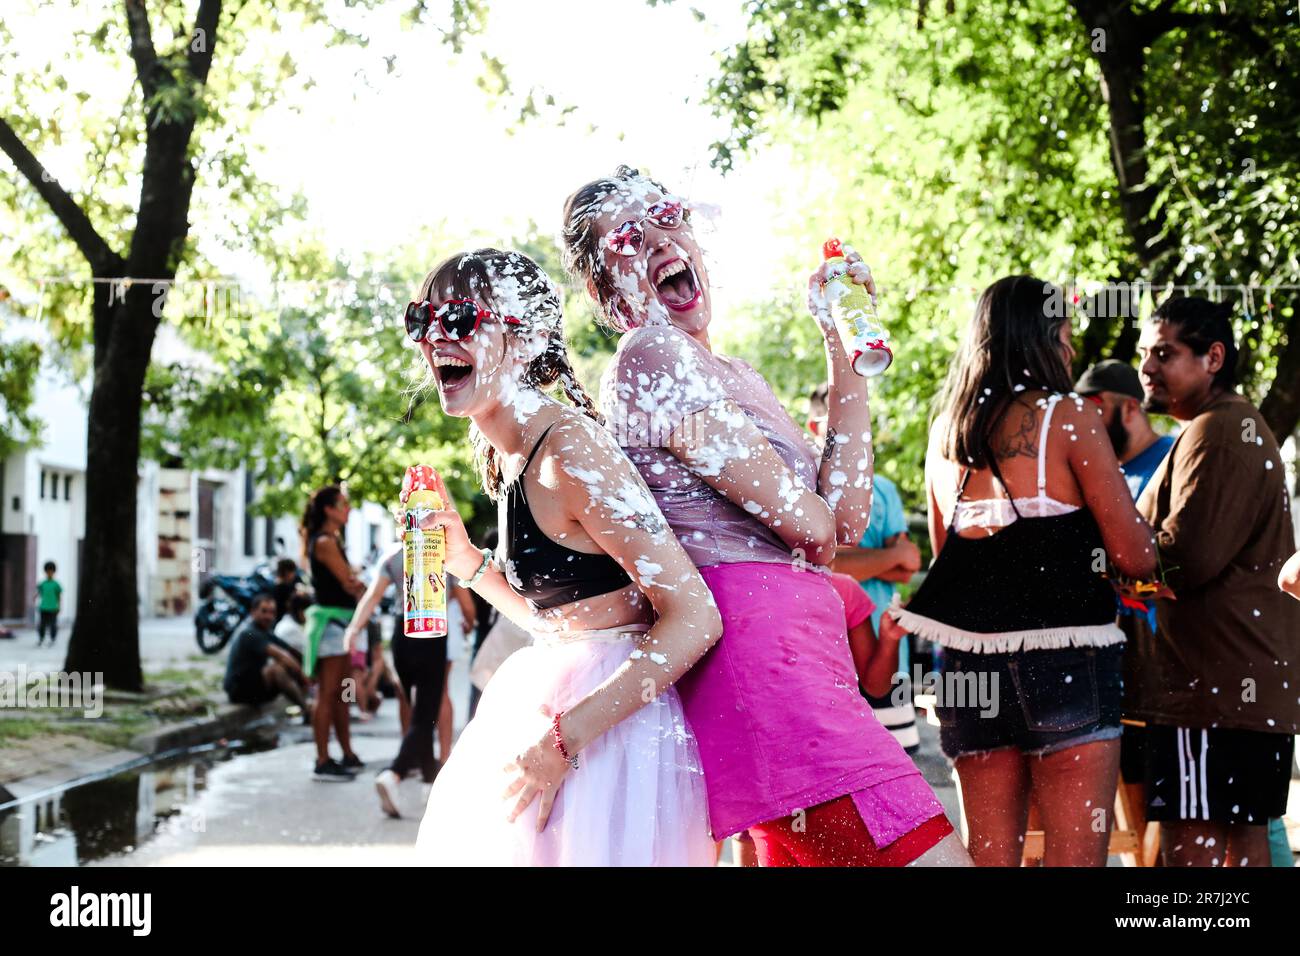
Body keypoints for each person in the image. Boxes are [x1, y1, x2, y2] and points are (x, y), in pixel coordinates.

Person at [562, 166, 970, 867]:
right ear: (606, 291)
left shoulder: (738, 373)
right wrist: (814, 518)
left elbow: (843, 518)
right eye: (632, 237)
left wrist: (843, 357)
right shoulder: (649, 353)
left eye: (670, 217)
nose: (663, 240)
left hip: (800, 665)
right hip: (764, 675)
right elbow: (810, 528)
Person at [408, 248, 723, 865]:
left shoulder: (570, 450)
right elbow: (567, 622)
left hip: (617, 739)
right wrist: (467, 561)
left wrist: (563, 739)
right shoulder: (509, 452)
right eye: (423, 319)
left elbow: (695, 616)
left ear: (525, 339)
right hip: (562, 717)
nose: (436, 336)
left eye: (461, 319)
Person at [886, 275, 1157, 867]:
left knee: (989, 858)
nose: (1069, 350)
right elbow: (1134, 554)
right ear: (1041, 338)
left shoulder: (945, 433)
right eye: (1063, 335)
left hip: (969, 670)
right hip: (1068, 659)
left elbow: (948, 552)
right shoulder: (1070, 416)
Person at [1129, 295, 1300, 867]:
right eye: (1143, 354)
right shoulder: (1223, 426)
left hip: (1213, 693)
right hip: (1237, 690)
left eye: (1163, 353)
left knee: (1192, 846)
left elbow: (1182, 560)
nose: (1146, 368)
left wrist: (1115, 571)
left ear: (1213, 358)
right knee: (1240, 840)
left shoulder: (1220, 430)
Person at [811, 384, 923, 753]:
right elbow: (823, 565)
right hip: (824, 670)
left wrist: (846, 561)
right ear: (816, 428)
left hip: (884, 655)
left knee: (897, 771)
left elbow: (908, 565)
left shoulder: (885, 488)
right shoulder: (803, 490)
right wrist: (884, 558)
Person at [345, 542, 447, 818]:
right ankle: (395, 773)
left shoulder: (393, 554)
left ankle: (429, 782)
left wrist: (354, 629)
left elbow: (372, 597)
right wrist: (471, 619)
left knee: (419, 713)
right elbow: (463, 597)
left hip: (403, 635)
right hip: (432, 633)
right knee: (424, 716)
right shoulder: (442, 547)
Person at [301, 485, 367, 781]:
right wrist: (363, 587)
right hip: (331, 626)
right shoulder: (326, 541)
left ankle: (345, 753)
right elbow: (349, 581)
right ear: (328, 509)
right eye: (342, 504)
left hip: (338, 625)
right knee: (329, 694)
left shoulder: (329, 539)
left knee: (340, 694)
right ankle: (323, 759)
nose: (347, 509)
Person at [1074, 359, 1174, 498]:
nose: (1084, 423)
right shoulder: (1104, 477)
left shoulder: (1173, 460)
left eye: (1095, 410)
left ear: (1130, 408)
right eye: (1080, 413)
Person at [223, 592, 310, 711]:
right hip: (238, 690)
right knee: (277, 669)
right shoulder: (249, 633)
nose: (268, 616)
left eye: (272, 612)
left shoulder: (266, 632)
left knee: (289, 665)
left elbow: (291, 650)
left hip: (255, 684)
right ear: (253, 612)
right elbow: (283, 656)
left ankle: (308, 704)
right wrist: (305, 678)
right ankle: (307, 710)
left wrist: (311, 667)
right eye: (264, 611)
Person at [34, 561, 62, 647]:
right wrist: (35, 598)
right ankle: (41, 638)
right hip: (44, 607)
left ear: (54, 572)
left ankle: (53, 639)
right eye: (48, 571)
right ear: (45, 572)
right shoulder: (43, 583)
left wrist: (59, 606)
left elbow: (59, 596)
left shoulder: (56, 584)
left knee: (53, 625)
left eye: (51, 571)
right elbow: (38, 592)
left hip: (53, 607)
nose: (49, 573)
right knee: (42, 624)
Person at [271, 557, 300, 623]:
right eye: (293, 572)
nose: (294, 575)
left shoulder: (275, 585)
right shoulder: (283, 588)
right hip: (283, 620)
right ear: (287, 572)